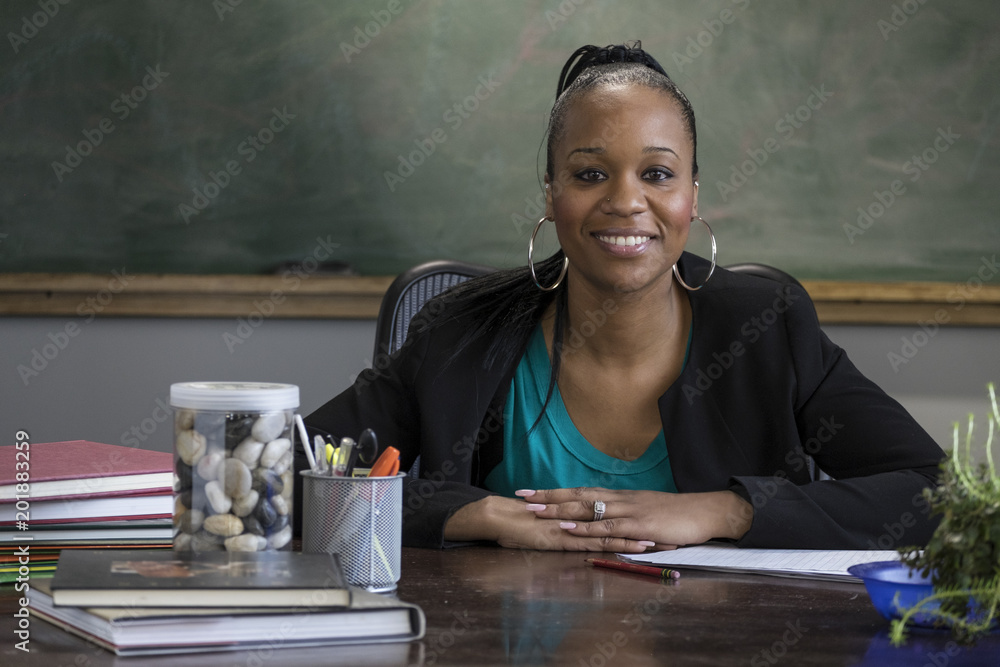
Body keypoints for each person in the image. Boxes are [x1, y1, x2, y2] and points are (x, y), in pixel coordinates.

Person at [300, 42, 945, 553]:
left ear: (693, 196)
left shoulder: (768, 328)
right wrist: (474, 512)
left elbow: (937, 495)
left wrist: (725, 510)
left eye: (658, 173)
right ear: (550, 194)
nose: (626, 201)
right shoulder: (459, 332)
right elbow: (300, 479)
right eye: (589, 174)